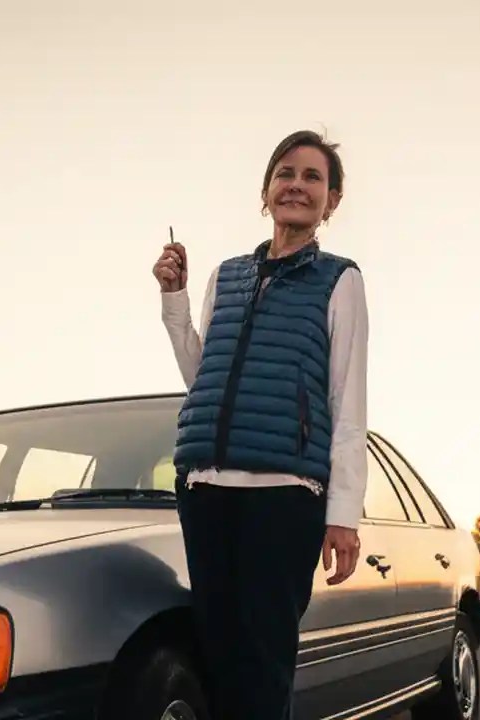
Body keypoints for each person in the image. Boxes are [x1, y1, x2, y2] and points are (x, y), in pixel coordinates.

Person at [152, 129, 369, 720]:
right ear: (266, 189)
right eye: (285, 174)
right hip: (205, 491)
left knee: (264, 661)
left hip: (284, 496)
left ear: (331, 202)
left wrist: (343, 516)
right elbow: (203, 376)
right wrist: (175, 297)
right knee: (219, 658)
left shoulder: (340, 280)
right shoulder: (227, 276)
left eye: (312, 177)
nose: (296, 185)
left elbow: (347, 403)